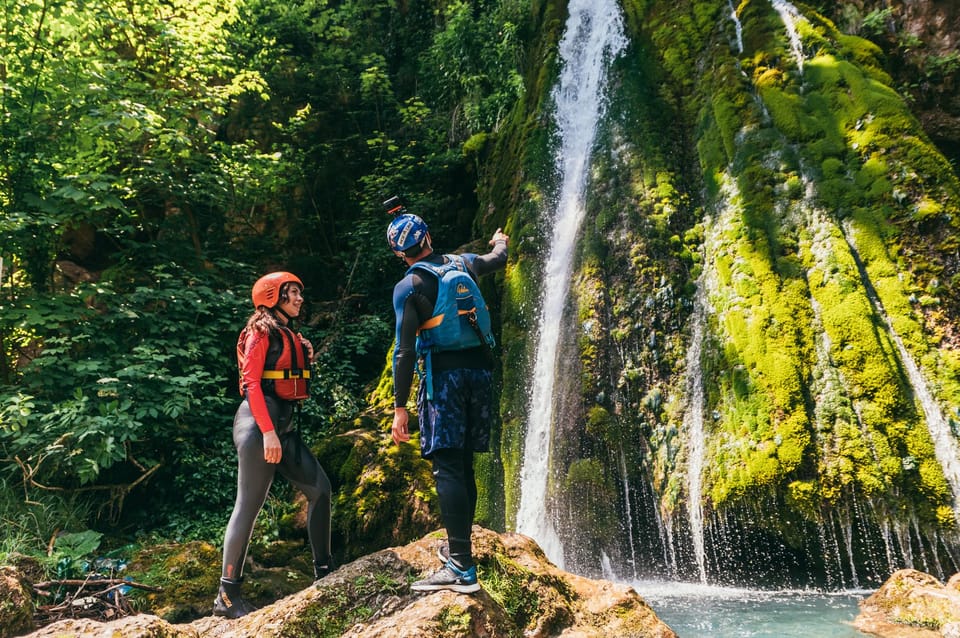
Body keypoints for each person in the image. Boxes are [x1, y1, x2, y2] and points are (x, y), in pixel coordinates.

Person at [387, 207, 508, 594]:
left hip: (445, 380)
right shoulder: (464, 263)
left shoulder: (410, 287)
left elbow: (404, 351)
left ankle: (460, 567)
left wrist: (400, 408)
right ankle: (461, 550)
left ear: (399, 254)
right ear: (428, 237)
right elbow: (497, 258)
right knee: (464, 464)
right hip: (481, 375)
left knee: (448, 467)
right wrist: (500, 240)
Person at [213, 271, 334, 619]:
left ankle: (325, 572)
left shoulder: (287, 332)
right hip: (257, 426)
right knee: (248, 506)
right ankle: (226, 597)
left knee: (321, 490)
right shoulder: (260, 331)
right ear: (273, 297)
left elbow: (286, 374)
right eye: (292, 292)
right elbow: (252, 384)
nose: (299, 298)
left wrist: (306, 355)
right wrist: (268, 433)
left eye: (298, 292)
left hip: (284, 427)